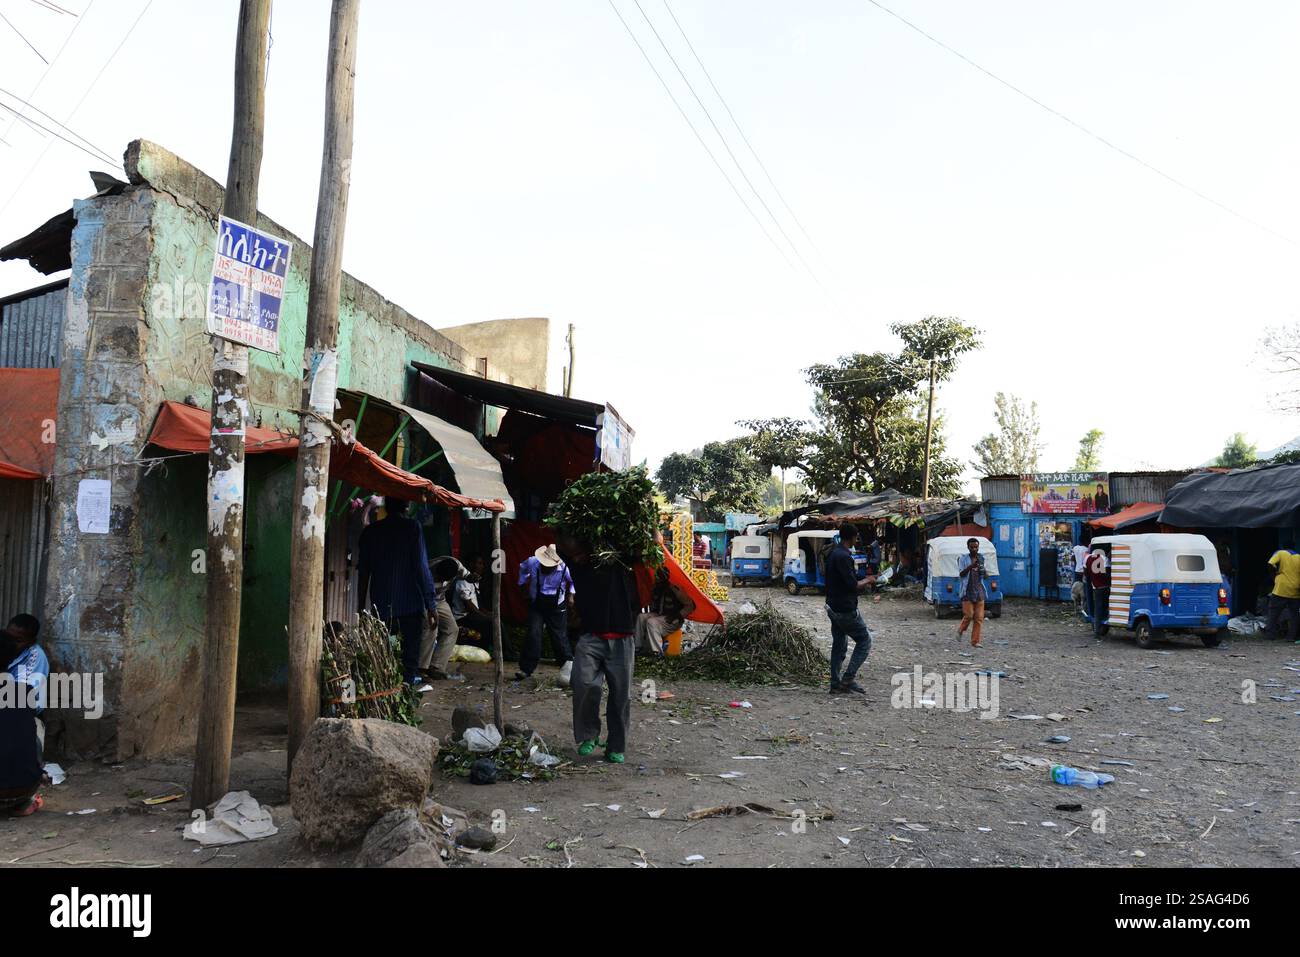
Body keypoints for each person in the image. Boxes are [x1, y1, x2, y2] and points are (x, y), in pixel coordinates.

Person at [561, 533, 640, 763]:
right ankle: (589, 735)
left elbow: (654, 542)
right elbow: (560, 542)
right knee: (583, 683)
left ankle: (616, 746)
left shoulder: (623, 560)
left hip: (623, 635)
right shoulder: (579, 564)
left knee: (621, 695)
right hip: (591, 636)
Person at [356, 497, 438, 687]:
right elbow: (421, 567)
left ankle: (387, 688)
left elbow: (364, 572)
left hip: (382, 605)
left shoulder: (371, 532)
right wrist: (431, 604)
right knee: (410, 656)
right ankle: (406, 688)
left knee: (385, 653)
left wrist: (361, 606)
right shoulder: (412, 528)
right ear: (407, 506)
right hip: (410, 604)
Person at [1, 614, 47, 817]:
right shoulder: (19, 691)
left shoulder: (35, 658)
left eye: (18, 640)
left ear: (31, 641)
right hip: (21, 792)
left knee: (32, 727)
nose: (13, 643)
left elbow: (32, 707)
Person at [824, 524, 877, 695]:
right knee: (864, 641)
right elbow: (852, 585)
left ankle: (835, 683)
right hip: (845, 608)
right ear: (853, 537)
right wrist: (868, 580)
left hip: (832, 606)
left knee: (839, 645)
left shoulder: (834, 553)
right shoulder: (844, 556)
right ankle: (848, 679)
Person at [517, 544, 576, 682]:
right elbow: (522, 569)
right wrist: (522, 583)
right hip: (536, 604)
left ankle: (568, 669)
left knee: (559, 637)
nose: (547, 568)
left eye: (550, 566)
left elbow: (573, 582)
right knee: (533, 633)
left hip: (556, 606)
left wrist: (571, 595)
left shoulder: (564, 568)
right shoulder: (532, 562)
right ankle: (526, 669)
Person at [636, 565, 696, 654]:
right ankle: (638, 647)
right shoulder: (656, 589)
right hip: (660, 616)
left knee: (651, 622)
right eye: (657, 577)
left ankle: (656, 652)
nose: (657, 580)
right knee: (641, 617)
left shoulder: (675, 590)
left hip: (673, 620)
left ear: (665, 578)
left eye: (660, 577)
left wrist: (677, 615)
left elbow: (691, 606)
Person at [423, 557, 464, 681]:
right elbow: (425, 595)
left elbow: (466, 575)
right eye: (441, 579)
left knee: (452, 629)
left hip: (440, 601)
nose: (443, 582)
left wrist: (472, 577)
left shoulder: (456, 565)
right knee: (431, 628)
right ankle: (421, 669)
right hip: (425, 602)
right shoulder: (427, 572)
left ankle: (436, 667)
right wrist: (431, 611)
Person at [450, 556, 493, 647]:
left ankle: (505, 651)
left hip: (472, 615)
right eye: (479, 563)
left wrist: (489, 613)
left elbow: (478, 606)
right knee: (490, 623)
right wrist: (485, 616)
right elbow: (469, 606)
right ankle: (505, 652)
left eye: (483, 564)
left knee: (496, 620)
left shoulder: (475, 581)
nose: (482, 566)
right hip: (463, 618)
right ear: (471, 564)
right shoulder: (463, 582)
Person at [957, 538, 988, 648]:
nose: (974, 549)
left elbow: (984, 574)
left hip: (979, 591)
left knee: (979, 618)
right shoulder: (963, 558)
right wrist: (971, 566)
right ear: (968, 547)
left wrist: (983, 571)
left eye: (976, 547)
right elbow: (961, 574)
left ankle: (975, 641)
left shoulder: (981, 558)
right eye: (972, 547)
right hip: (967, 591)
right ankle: (961, 629)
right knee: (969, 615)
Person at [1264, 547, 1300, 641]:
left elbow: (1270, 564)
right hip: (1295, 589)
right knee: (1294, 615)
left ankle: (1270, 635)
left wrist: (1274, 575)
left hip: (1281, 588)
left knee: (1274, 612)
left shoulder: (1280, 553)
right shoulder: (1298, 557)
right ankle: (1291, 637)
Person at [1086, 545, 1111, 638]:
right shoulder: (1104, 558)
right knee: (1107, 607)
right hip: (1106, 587)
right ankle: (1105, 624)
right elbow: (1108, 573)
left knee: (1097, 609)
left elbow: (1086, 573)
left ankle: (1097, 631)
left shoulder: (1087, 559)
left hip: (1095, 588)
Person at [1072, 537, 1092, 617]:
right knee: (1084, 591)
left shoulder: (1075, 548)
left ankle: (1077, 608)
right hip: (1084, 571)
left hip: (1077, 571)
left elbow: (1073, 558)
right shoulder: (1087, 550)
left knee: (1076, 590)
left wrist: (1077, 562)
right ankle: (1084, 608)